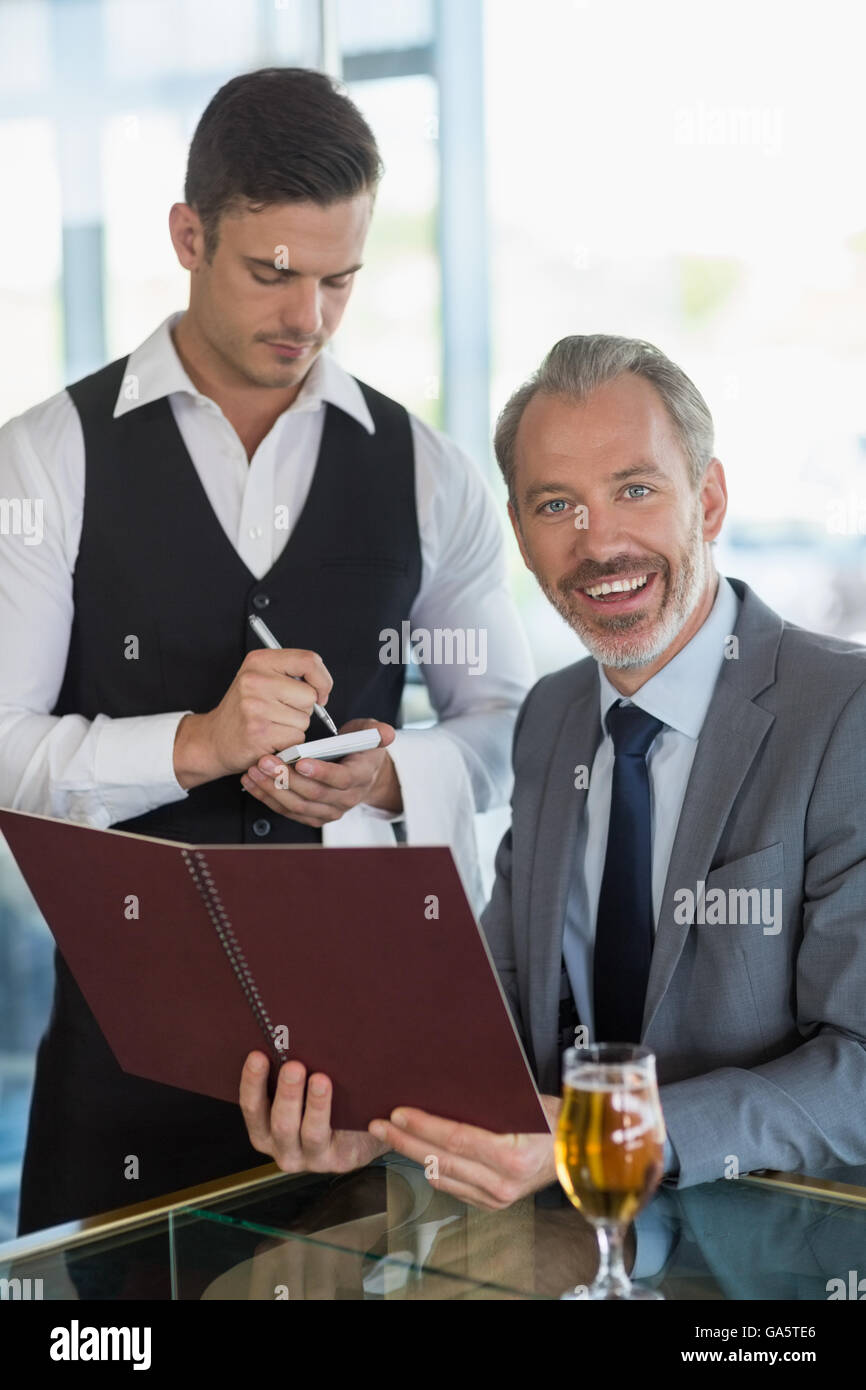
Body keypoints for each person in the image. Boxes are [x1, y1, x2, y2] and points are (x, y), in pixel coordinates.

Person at [0, 67, 532, 1235]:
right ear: (188, 235)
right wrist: (193, 742)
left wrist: (390, 775)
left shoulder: (426, 471)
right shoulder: (47, 459)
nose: (307, 318)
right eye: (271, 273)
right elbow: (1, 754)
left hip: (353, 1070)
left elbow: (513, 728)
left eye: (340, 279)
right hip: (121, 1058)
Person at [241, 334, 866, 1206]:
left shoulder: (845, 713)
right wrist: (378, 1114)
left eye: (635, 490)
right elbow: (500, 1003)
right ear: (520, 537)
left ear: (710, 499)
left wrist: (600, 1141)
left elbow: (859, 1071)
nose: (597, 542)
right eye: (555, 504)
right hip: (559, 1246)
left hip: (783, 1257)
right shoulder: (553, 717)